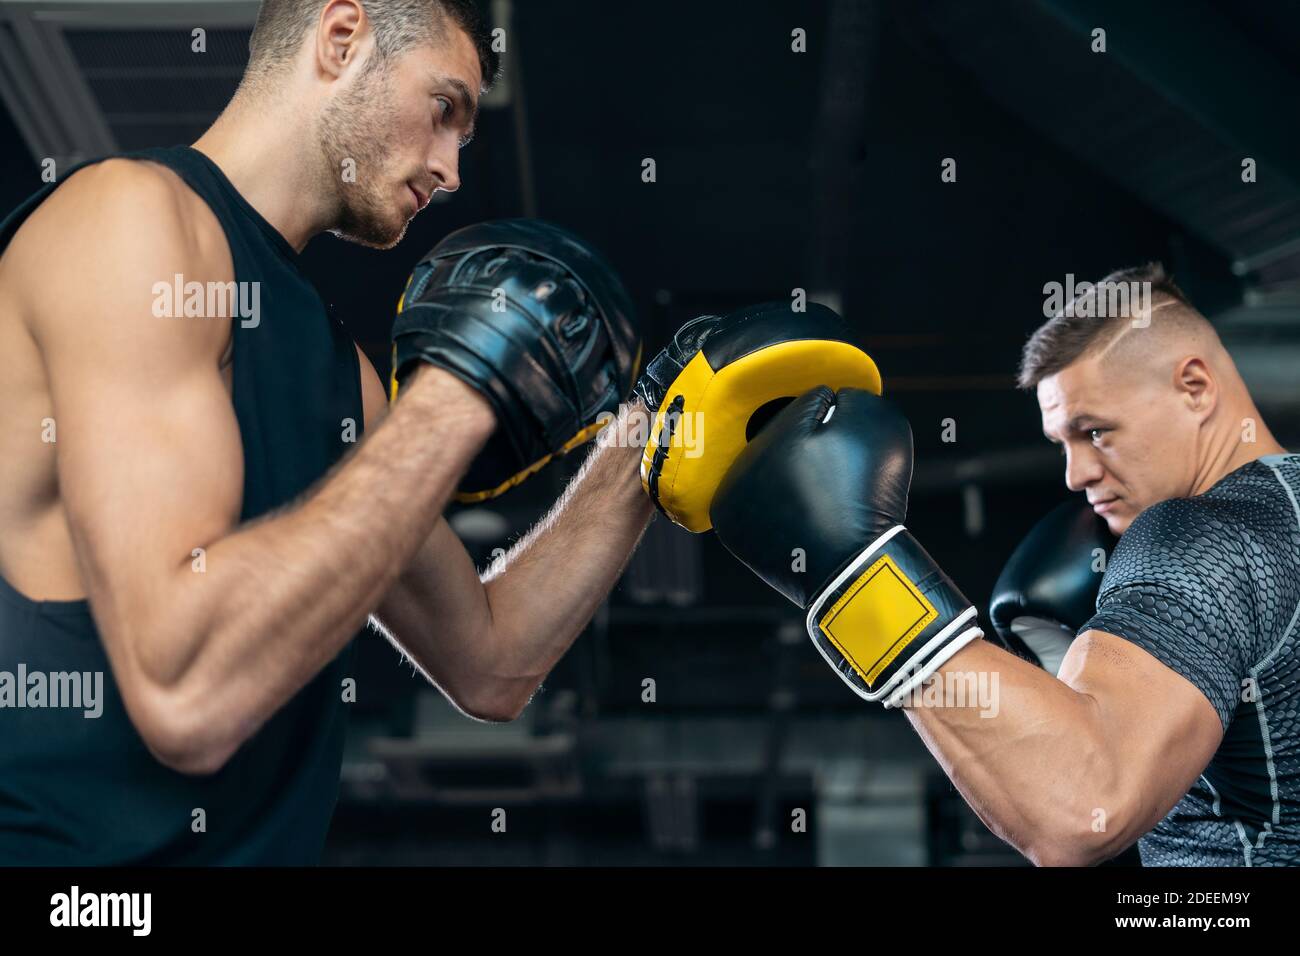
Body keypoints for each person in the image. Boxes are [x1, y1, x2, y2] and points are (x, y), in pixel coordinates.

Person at [0, 0, 656, 864]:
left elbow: (490, 662)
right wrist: (462, 393)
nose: (453, 169)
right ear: (342, 38)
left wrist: (649, 450)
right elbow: (184, 690)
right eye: (444, 108)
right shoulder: (129, 219)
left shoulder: (333, 367)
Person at [711, 264, 1299, 865]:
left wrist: (857, 571)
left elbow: (1082, 806)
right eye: (1062, 444)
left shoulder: (1201, 536)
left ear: (1195, 386)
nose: (1076, 474)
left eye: (1095, 432)